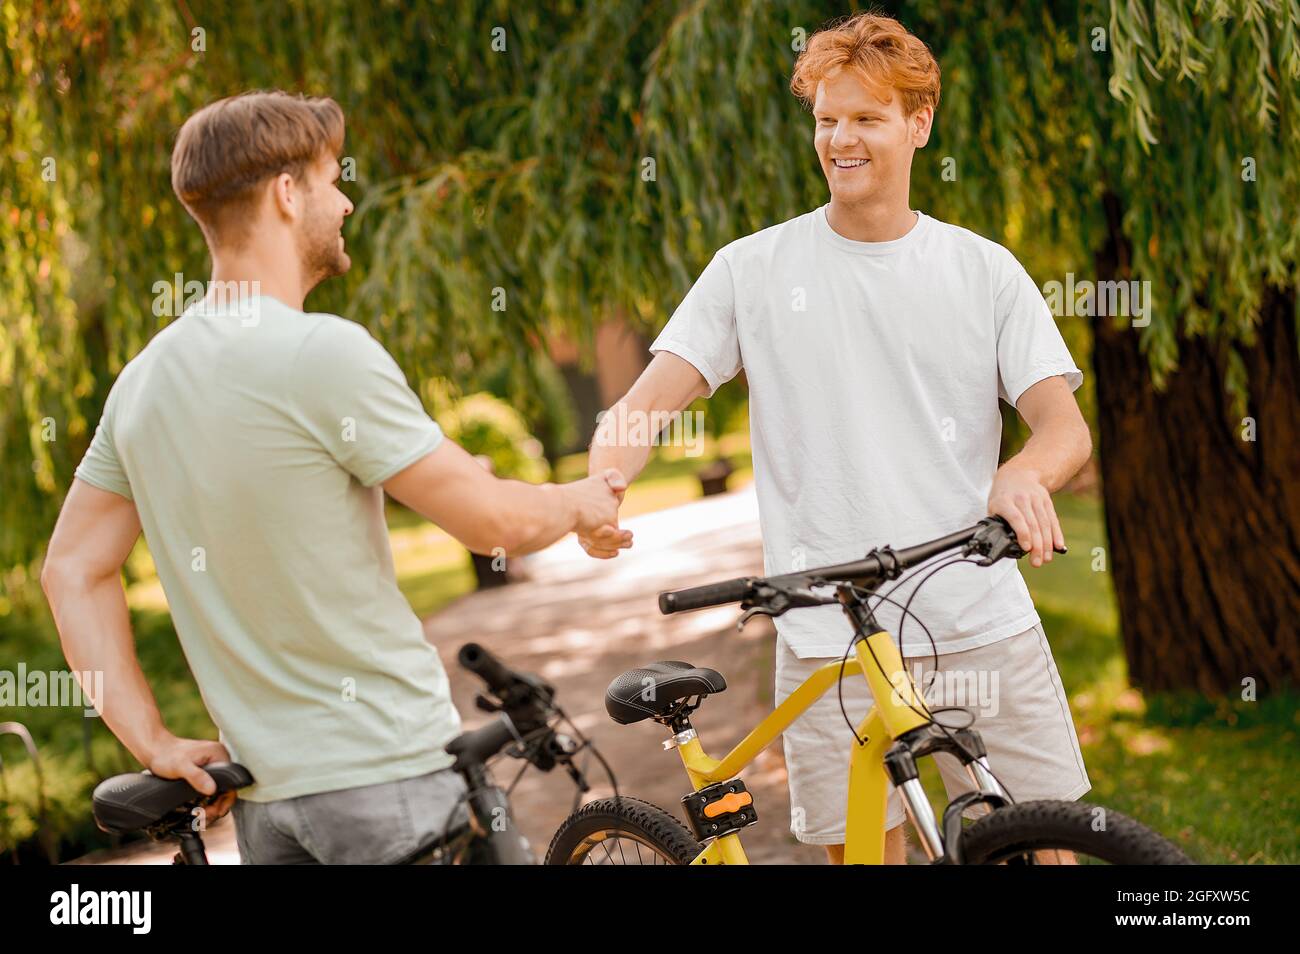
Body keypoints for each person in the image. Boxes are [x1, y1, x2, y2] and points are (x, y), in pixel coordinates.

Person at [40, 91, 629, 864]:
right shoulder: (322, 352)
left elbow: (73, 568)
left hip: (268, 809)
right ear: (288, 193)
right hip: (386, 784)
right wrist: (580, 501)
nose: (346, 200)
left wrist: (150, 738)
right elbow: (497, 525)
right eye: (331, 178)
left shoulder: (143, 384)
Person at [581, 12, 1093, 864]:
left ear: (919, 125)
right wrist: (603, 487)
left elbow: (1061, 425)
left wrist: (1023, 474)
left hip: (977, 614)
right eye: (826, 119)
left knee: (1043, 849)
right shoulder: (752, 269)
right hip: (830, 636)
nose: (839, 139)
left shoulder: (983, 270)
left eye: (866, 118)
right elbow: (646, 404)